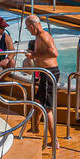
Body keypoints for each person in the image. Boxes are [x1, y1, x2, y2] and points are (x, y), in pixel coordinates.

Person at [24, 15, 60, 147]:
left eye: (28, 28)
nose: (29, 31)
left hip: (50, 74)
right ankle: (35, 128)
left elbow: (54, 53)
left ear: (32, 26)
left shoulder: (44, 36)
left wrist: (34, 55)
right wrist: (33, 53)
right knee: (38, 102)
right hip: (46, 74)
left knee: (47, 108)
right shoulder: (38, 37)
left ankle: (54, 140)